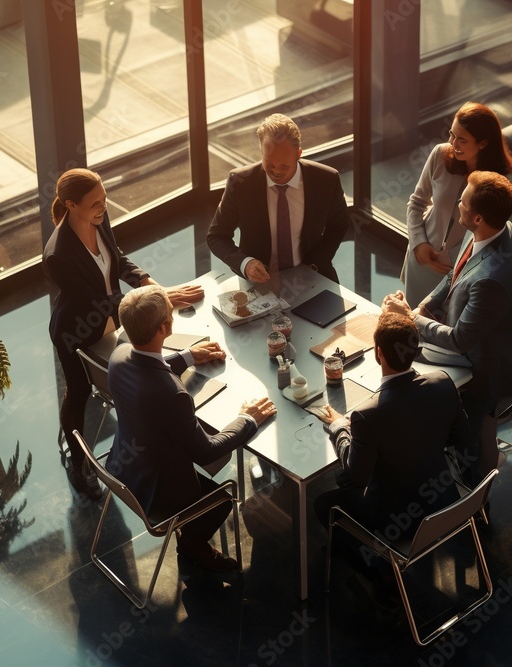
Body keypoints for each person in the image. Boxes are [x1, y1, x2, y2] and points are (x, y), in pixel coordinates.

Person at [43, 168, 204, 500]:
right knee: (78, 392)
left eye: (104, 199)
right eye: (95, 203)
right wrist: (150, 300)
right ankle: (78, 465)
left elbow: (117, 260)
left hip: (113, 317)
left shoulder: (99, 218)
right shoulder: (57, 254)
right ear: (71, 205)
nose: (103, 207)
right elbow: (94, 302)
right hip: (78, 331)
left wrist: (149, 283)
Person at [105, 285, 276, 571]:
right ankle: (191, 544)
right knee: (220, 500)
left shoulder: (118, 355)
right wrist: (247, 419)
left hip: (124, 470)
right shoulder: (172, 394)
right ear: (165, 326)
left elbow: (146, 366)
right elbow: (206, 452)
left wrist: (187, 356)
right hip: (160, 493)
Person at [384, 170, 512, 485]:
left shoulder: (493, 277)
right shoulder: (494, 229)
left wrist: (410, 319)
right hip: (480, 343)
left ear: (477, 218)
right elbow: (454, 276)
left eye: (462, 201)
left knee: (462, 442)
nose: (455, 203)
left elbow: (460, 339)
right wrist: (421, 307)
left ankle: (472, 496)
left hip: (484, 373)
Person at [314, 312, 470, 598]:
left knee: (324, 504)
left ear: (378, 354)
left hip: (398, 523)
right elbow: (461, 437)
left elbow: (357, 475)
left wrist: (340, 429)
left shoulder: (366, 415)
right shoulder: (443, 383)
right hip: (445, 504)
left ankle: (378, 574)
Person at [402, 102, 512, 306]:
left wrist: (454, 258)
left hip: (459, 269)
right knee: (409, 319)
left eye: (462, 139)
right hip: (420, 257)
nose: (453, 143)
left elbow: (491, 231)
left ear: (483, 144)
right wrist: (419, 242)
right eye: (452, 134)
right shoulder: (440, 154)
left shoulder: (504, 181)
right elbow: (416, 203)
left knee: (440, 329)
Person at [207, 113, 350, 284]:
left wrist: (314, 265)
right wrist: (246, 264)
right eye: (270, 163)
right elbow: (216, 236)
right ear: (261, 151)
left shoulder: (326, 179)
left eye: (284, 165)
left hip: (314, 276)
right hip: (259, 284)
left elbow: (338, 225)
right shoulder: (240, 184)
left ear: (298, 154)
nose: (276, 171)